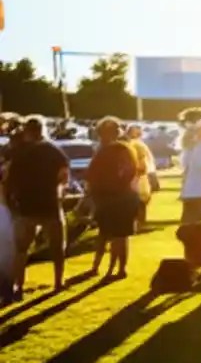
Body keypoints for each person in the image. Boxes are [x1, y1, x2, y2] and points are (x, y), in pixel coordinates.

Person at [5, 115, 70, 296]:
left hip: (26, 206)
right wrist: (60, 192)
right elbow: (63, 176)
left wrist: (11, 201)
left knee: (22, 249)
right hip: (50, 203)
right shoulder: (54, 151)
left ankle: (18, 285)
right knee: (57, 247)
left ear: (27, 132)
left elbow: (9, 179)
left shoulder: (19, 153)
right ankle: (58, 282)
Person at [85, 117, 141, 279]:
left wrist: (89, 196)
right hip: (127, 196)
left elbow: (92, 176)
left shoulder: (104, 151)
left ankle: (101, 268)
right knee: (121, 235)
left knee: (106, 234)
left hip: (108, 197)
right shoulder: (128, 149)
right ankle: (119, 269)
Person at [125, 124, 156, 227]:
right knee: (141, 200)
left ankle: (138, 223)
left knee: (141, 200)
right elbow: (142, 160)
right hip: (138, 176)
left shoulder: (133, 143)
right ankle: (139, 224)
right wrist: (142, 171)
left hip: (136, 175)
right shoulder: (136, 144)